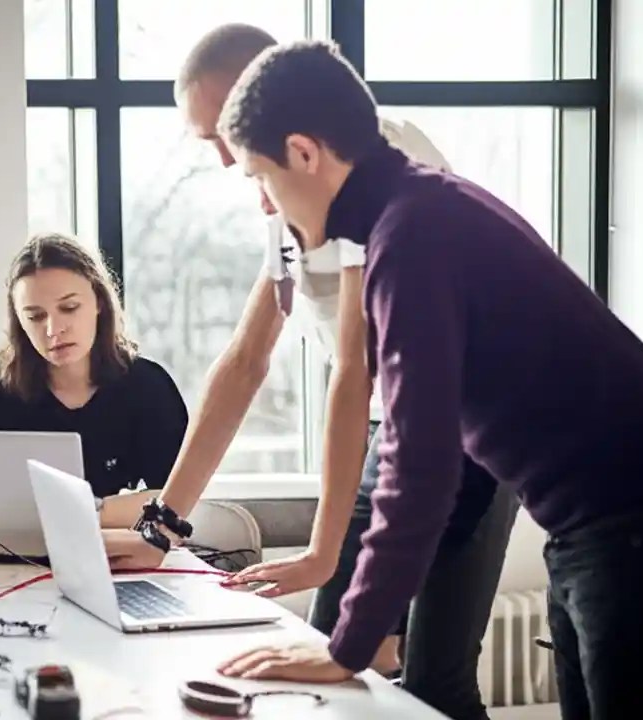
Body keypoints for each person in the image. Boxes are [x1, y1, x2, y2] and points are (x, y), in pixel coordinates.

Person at [209, 39, 643, 719]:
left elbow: (418, 462)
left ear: (305, 153)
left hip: (638, 528)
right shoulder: (418, 209)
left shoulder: (411, 237)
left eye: (261, 175)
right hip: (601, 525)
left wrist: (347, 647)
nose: (264, 202)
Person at [104, 24, 518, 719]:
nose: (222, 158)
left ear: (264, 93)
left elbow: (353, 366)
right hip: (389, 434)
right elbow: (244, 362)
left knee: (432, 680)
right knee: (329, 659)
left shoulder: (371, 158)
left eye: (217, 133)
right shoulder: (281, 202)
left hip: (466, 436)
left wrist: (325, 553)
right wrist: (163, 526)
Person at [0, 232, 188, 526]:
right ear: (19, 322)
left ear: (99, 303)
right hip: (2, 560)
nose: (54, 330)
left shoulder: (147, 388)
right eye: (35, 317)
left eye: (69, 308)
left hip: (113, 554)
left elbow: (179, 500)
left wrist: (89, 512)